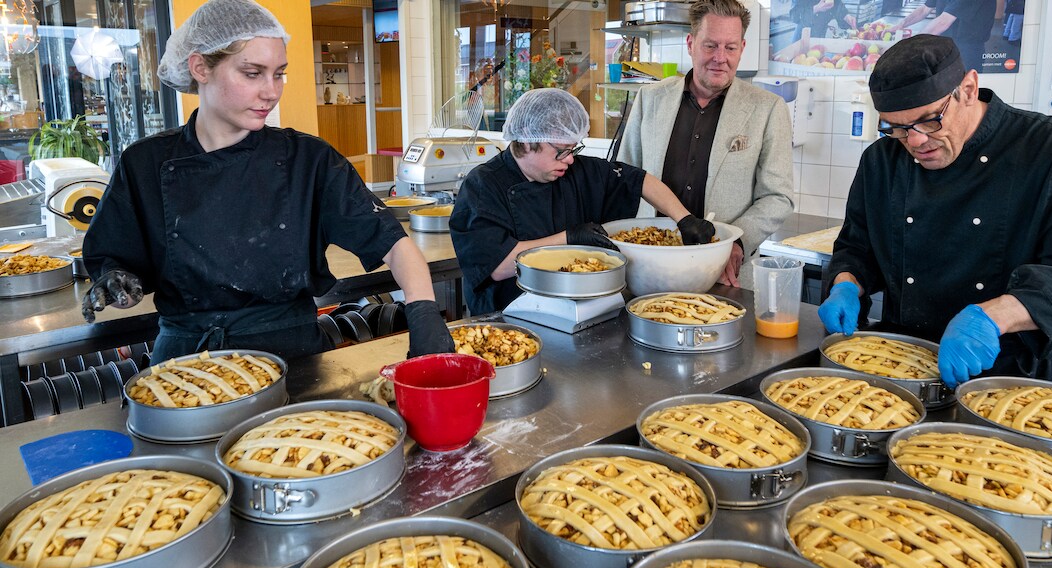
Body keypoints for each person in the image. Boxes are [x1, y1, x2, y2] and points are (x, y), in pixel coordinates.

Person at [81, 0, 454, 363]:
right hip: (186, 360)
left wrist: (423, 313)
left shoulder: (308, 160)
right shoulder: (145, 162)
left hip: (293, 354)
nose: (271, 91)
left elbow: (393, 244)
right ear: (200, 67)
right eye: (252, 73)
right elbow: (115, 256)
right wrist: (115, 279)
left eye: (279, 73)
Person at [818, 35, 1052, 388]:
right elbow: (857, 246)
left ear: (969, 89)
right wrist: (846, 283)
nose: (914, 142)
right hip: (901, 366)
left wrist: (992, 317)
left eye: (929, 121)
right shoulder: (882, 161)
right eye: (896, 128)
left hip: (1009, 377)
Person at [449, 89, 713, 315]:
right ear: (528, 141)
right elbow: (496, 266)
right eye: (561, 151)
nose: (570, 159)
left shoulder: (579, 171)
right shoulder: (483, 186)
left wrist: (684, 218)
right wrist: (570, 237)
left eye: (573, 149)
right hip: (511, 318)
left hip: (584, 311)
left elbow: (639, 181)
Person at [618, 0, 794, 287]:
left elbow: (778, 197)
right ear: (691, 43)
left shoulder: (768, 109)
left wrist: (736, 243)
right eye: (710, 45)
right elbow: (625, 178)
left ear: (742, 48)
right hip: (649, 266)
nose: (720, 57)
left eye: (730, 47)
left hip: (724, 273)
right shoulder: (650, 99)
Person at [889, 0, 996, 72]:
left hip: (967, 48)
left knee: (964, 92)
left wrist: (911, 44)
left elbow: (943, 22)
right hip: (945, 43)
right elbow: (924, 9)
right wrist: (901, 24)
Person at [791, 0, 857, 38]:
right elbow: (794, 16)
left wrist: (846, 17)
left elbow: (838, 6)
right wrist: (816, 8)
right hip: (802, 38)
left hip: (820, 38)